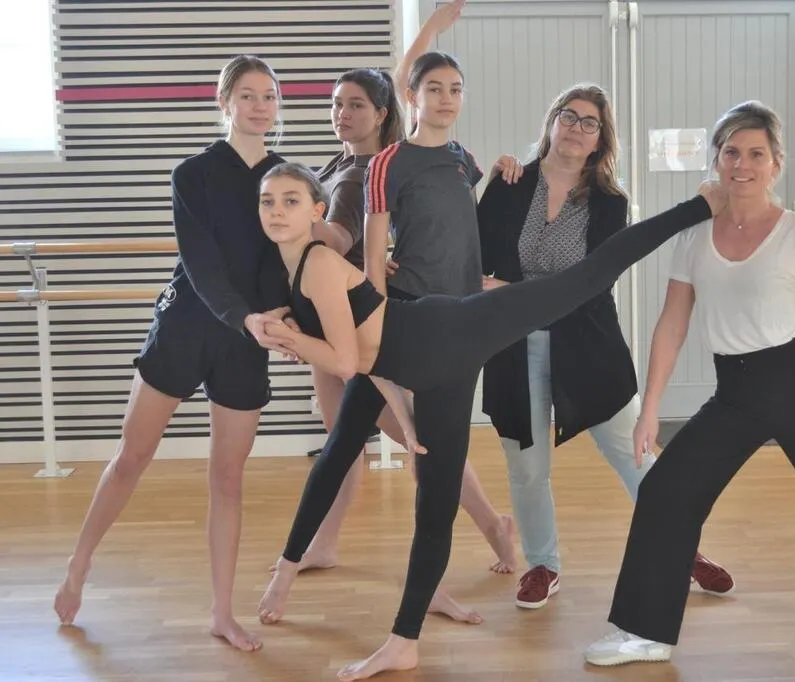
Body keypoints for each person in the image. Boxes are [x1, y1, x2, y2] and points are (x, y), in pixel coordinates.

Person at [252, 160, 723, 680]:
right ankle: (403, 642)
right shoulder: (289, 274)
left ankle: (702, 205)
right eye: (267, 201)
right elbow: (366, 358)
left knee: (588, 277)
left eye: (290, 200)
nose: (277, 211)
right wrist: (406, 423)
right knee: (435, 507)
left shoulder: (317, 264)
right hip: (432, 375)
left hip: (453, 331)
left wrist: (288, 338)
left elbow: (341, 360)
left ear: (317, 211)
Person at [583, 100, 795, 669]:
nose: (742, 164)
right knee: (667, 490)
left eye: (755, 154)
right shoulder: (694, 237)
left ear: (775, 164)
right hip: (736, 388)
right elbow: (673, 323)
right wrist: (650, 410)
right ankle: (644, 632)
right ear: (717, 160)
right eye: (732, 152)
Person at [52, 55, 292, 652]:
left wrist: (287, 323)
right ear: (224, 102)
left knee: (228, 477)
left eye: (269, 96)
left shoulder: (288, 179)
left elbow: (287, 262)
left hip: (248, 339)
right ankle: (79, 563)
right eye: (247, 95)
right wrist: (248, 317)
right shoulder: (193, 173)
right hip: (188, 324)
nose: (260, 106)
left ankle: (221, 611)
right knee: (133, 456)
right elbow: (202, 263)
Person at [476, 82, 735, 610]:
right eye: (568, 116)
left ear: (600, 140)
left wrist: (511, 291)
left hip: (589, 345)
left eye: (589, 122)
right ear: (551, 123)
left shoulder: (610, 203)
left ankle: (683, 549)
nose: (575, 127)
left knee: (634, 453)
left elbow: (595, 278)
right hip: (511, 345)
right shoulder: (507, 184)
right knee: (527, 467)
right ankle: (543, 564)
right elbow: (473, 261)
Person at [273, 66, 518, 580]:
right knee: (343, 434)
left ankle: (493, 522)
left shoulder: (370, 168)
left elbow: (342, 239)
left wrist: (291, 221)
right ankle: (325, 541)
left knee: (415, 437)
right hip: (332, 316)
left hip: (373, 318)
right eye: (337, 103)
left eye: (356, 104)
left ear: (384, 112)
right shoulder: (347, 161)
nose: (344, 113)